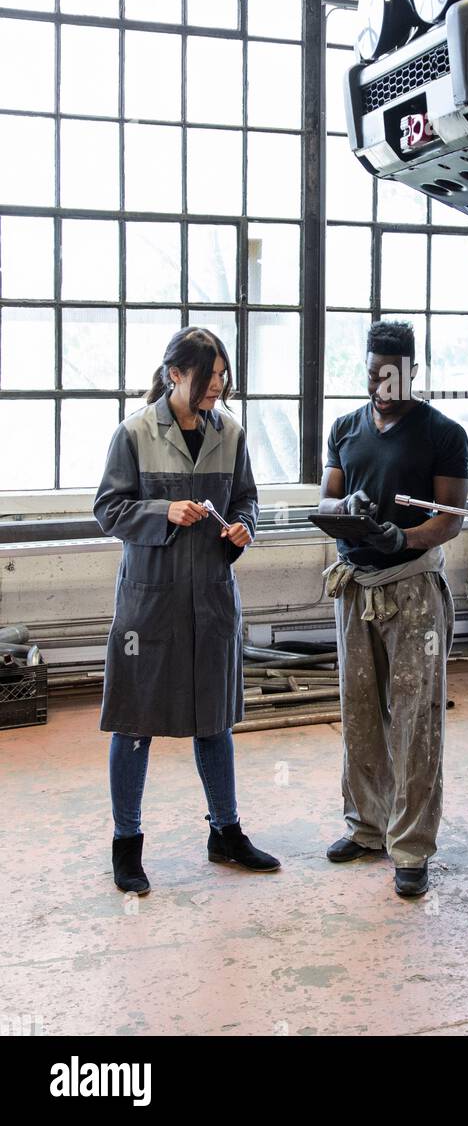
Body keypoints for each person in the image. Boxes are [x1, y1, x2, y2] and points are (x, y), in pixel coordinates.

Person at [94, 326, 280, 896]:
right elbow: (108, 509)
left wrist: (244, 526)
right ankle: (127, 845)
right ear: (175, 374)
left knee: (214, 721)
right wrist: (162, 512)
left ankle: (225, 832)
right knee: (133, 723)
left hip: (212, 599)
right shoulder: (134, 434)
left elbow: (247, 497)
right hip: (149, 603)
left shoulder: (232, 434)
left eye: (223, 375)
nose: (219, 386)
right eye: (209, 375)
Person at [319, 321, 468, 897]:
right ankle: (366, 827)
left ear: (411, 369)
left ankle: (410, 846)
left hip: (411, 589)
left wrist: (402, 540)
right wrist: (345, 506)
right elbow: (328, 497)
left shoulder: (442, 434)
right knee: (359, 713)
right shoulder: (345, 428)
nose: (380, 380)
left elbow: (449, 519)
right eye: (372, 369)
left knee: (415, 718)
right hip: (355, 586)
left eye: (392, 370)